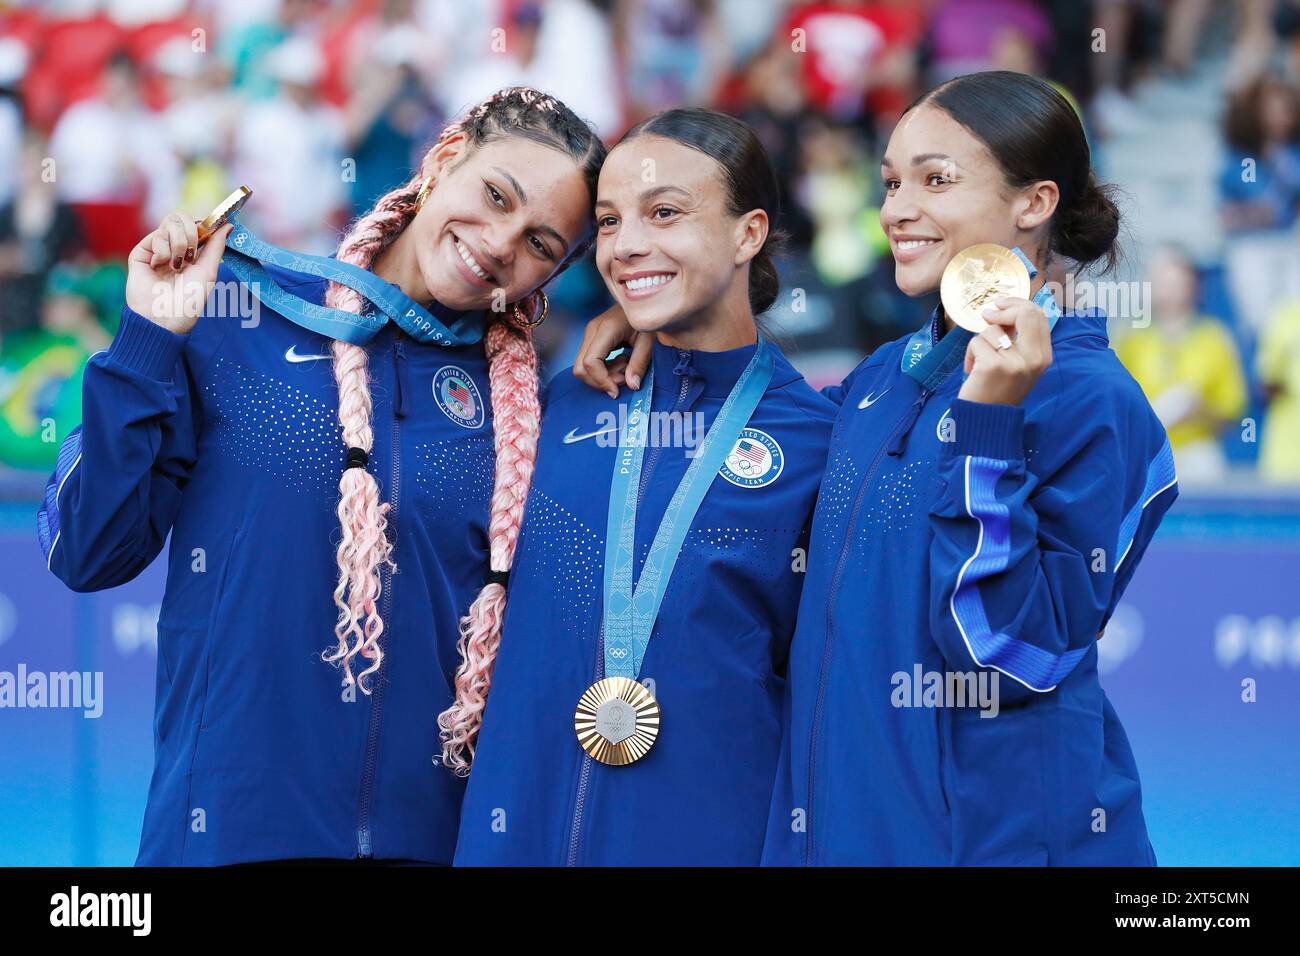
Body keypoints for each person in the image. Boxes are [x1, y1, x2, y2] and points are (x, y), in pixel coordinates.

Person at [578, 72, 1178, 865]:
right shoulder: (883, 378)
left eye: (936, 180)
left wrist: (990, 423)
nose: (896, 208)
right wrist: (661, 314)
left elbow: (1009, 654)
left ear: (1033, 204)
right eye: (892, 181)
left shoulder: (1091, 399)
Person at [37, 87, 605, 866]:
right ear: (444, 160)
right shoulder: (240, 309)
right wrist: (147, 342)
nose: (501, 242)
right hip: (227, 836)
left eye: (542, 243)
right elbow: (87, 549)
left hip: (430, 845)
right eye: (495, 195)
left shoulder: (522, 407)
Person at [449, 108, 836, 865]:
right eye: (609, 221)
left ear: (747, 234)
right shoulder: (557, 405)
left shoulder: (816, 444)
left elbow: (829, 708)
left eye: (665, 214)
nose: (627, 247)